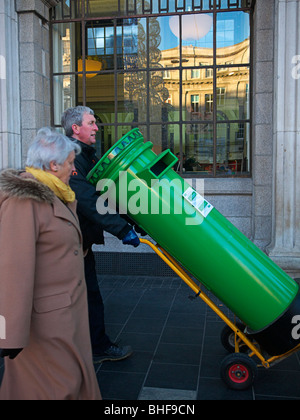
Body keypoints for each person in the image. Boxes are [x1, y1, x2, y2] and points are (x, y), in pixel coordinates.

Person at [0, 128, 101, 400]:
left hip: (65, 315)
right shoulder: (24, 201)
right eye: (70, 163)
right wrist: (7, 335)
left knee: (69, 382)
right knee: (54, 387)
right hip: (44, 324)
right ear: (53, 165)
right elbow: (12, 272)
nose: (73, 169)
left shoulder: (57, 194)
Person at [61, 106, 140, 363]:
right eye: (91, 123)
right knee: (89, 296)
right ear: (76, 128)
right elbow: (86, 199)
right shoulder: (68, 156)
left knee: (83, 296)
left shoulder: (86, 156)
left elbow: (104, 195)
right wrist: (122, 229)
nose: (96, 127)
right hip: (68, 244)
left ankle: (79, 344)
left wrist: (131, 221)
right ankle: (98, 347)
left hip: (78, 241)